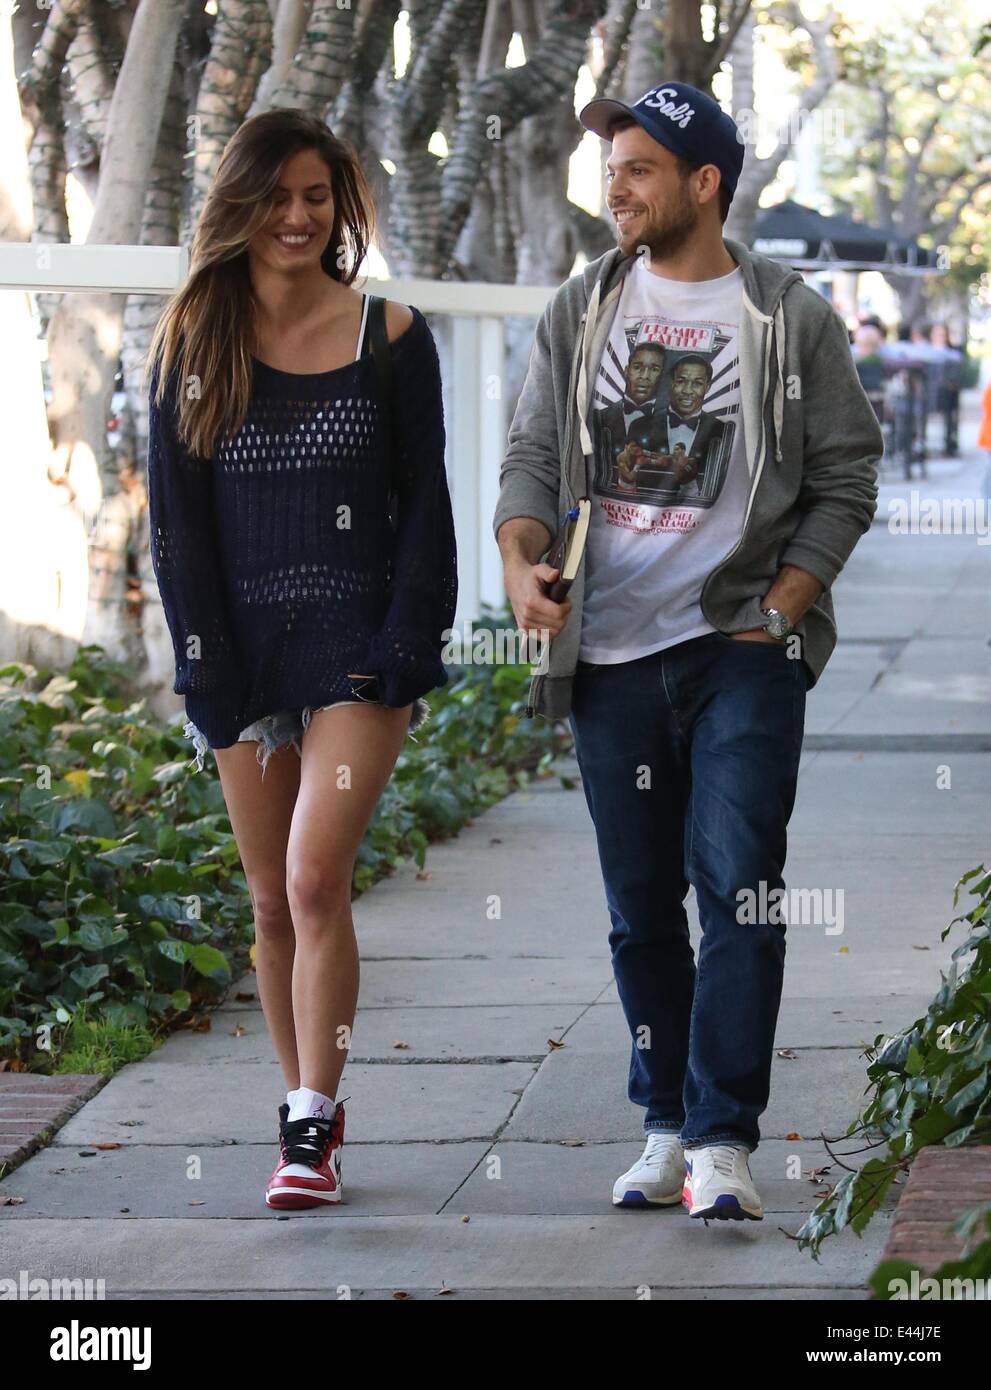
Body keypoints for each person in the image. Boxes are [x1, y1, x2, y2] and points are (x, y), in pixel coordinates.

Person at [493, 80, 882, 1222]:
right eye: (609, 167)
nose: (614, 186)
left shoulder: (786, 315)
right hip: (609, 658)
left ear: (704, 183)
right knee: (639, 910)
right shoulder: (582, 309)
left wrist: (788, 600)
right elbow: (527, 461)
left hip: (738, 652)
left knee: (741, 891)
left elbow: (845, 474)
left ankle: (722, 1138)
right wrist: (523, 566)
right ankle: (661, 1123)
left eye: (639, 168)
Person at [145, 109, 457, 1211]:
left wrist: (402, 649)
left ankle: (314, 1124)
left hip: (357, 653)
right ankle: (296, 1107)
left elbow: (425, 511)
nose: (296, 215)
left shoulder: (392, 334)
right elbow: (175, 527)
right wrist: (202, 666)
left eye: (316, 195)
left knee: (313, 876)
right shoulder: (196, 341)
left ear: (340, 206)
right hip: (240, 656)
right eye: (275, 195)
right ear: (241, 202)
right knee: (269, 905)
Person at [930, 323, 964, 457]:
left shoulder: (953, 352)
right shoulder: (926, 350)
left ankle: (949, 443)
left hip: (946, 391)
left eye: (942, 334)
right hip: (930, 391)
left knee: (949, 405)